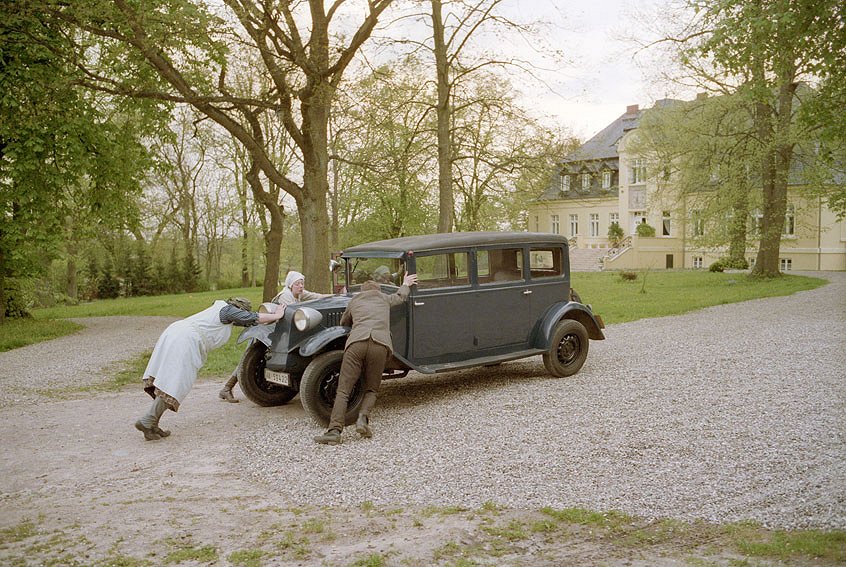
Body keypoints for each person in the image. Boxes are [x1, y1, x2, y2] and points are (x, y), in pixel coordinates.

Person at [135, 297, 286, 440]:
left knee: (170, 382)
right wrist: (278, 313)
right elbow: (255, 317)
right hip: (185, 340)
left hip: (177, 334)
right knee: (174, 383)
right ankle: (148, 420)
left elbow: (252, 322)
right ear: (238, 308)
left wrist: (273, 317)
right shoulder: (227, 310)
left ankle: (152, 424)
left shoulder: (222, 313)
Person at [314, 272, 418, 445]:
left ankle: (334, 431)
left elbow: (343, 323)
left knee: (344, 390)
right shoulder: (384, 299)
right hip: (380, 345)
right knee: (372, 389)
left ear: (362, 292)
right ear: (377, 290)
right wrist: (406, 282)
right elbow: (401, 296)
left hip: (357, 344)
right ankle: (363, 419)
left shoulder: (355, 301)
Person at [218, 270, 332, 402]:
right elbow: (292, 314)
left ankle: (227, 387)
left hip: (280, 329)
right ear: (290, 285)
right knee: (249, 359)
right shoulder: (285, 296)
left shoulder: (300, 293)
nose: (301, 286)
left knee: (249, 359)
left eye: (302, 283)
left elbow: (316, 296)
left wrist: (335, 295)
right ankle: (227, 387)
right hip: (268, 329)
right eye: (297, 284)